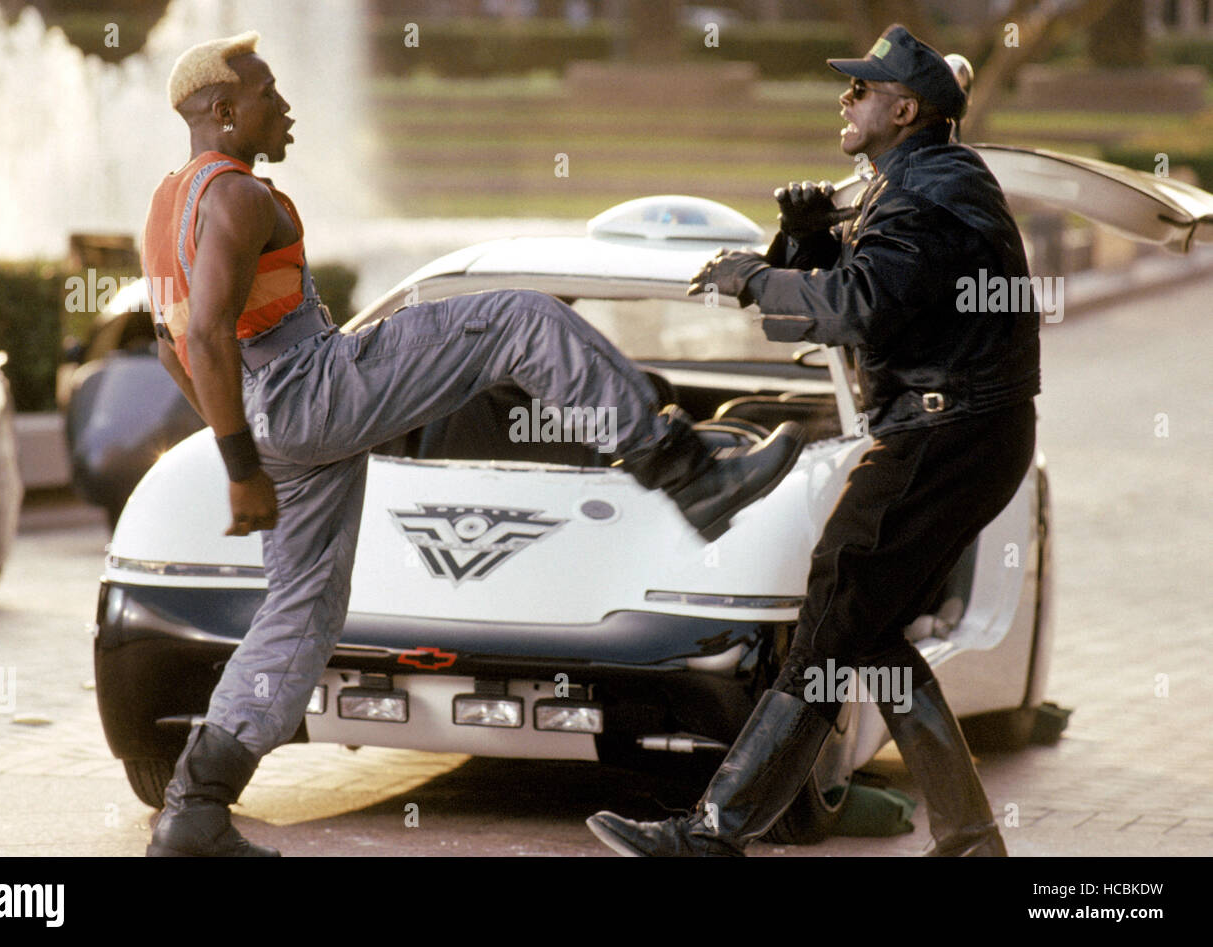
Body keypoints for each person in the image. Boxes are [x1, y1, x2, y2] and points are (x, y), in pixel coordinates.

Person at [138, 32, 805, 857]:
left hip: (273, 416)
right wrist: (244, 464)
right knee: (519, 320)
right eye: (271, 94)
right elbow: (201, 333)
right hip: (304, 389)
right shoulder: (236, 196)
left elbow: (173, 346)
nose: (288, 106)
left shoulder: (167, 204)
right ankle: (685, 472)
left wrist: (255, 441)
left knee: (300, 614)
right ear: (226, 110)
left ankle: (195, 808)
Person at [587, 24, 1039, 857]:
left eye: (861, 89)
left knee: (836, 610)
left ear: (904, 108)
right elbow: (868, 292)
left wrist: (759, 274)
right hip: (959, 428)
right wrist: (806, 237)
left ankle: (715, 832)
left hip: (945, 432)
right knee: (865, 627)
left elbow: (858, 307)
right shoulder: (914, 182)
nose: (845, 96)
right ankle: (972, 840)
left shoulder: (927, 196)